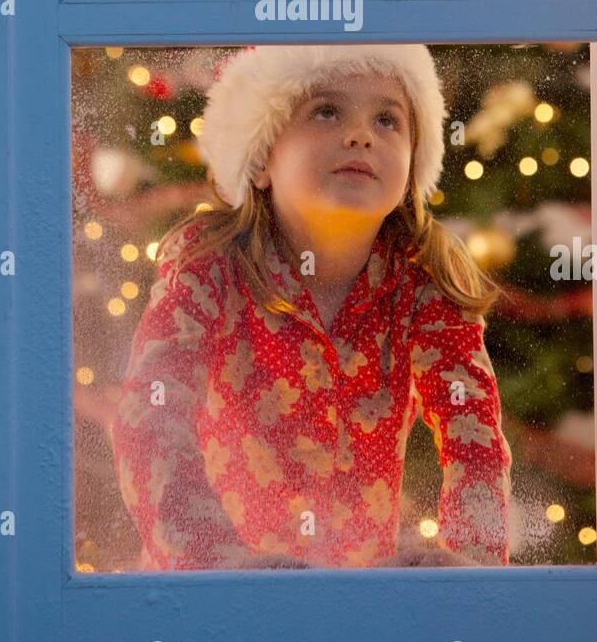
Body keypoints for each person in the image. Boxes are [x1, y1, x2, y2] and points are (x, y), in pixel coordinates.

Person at [111, 42, 513, 571]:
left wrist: (467, 567)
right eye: (326, 110)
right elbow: (151, 415)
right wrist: (212, 561)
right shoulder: (208, 269)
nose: (360, 134)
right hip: (213, 606)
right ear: (261, 161)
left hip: (357, 612)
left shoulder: (422, 282)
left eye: (388, 120)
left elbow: (474, 435)